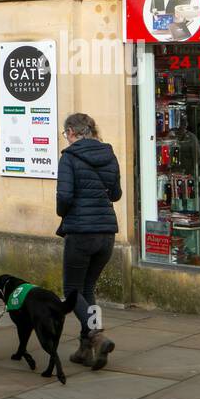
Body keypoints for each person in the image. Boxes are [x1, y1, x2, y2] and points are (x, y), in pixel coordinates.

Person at [57, 112, 122, 370]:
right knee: (87, 289)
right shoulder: (109, 154)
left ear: (72, 132)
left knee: (71, 290)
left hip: (81, 232)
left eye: (66, 134)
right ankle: (86, 348)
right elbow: (115, 194)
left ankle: (96, 335)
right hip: (106, 232)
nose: (66, 138)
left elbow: (64, 197)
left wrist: (64, 213)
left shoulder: (69, 157)